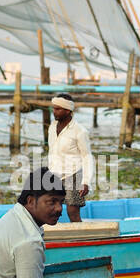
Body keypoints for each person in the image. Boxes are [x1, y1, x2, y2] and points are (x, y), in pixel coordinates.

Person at [46, 93, 94, 224]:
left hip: (73, 174)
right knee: (49, 210)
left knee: (72, 212)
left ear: (68, 111)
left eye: (57, 109)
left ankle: (80, 240)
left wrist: (86, 182)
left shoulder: (79, 131)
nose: (53, 111)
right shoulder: (52, 127)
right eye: (53, 108)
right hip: (54, 174)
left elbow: (87, 156)